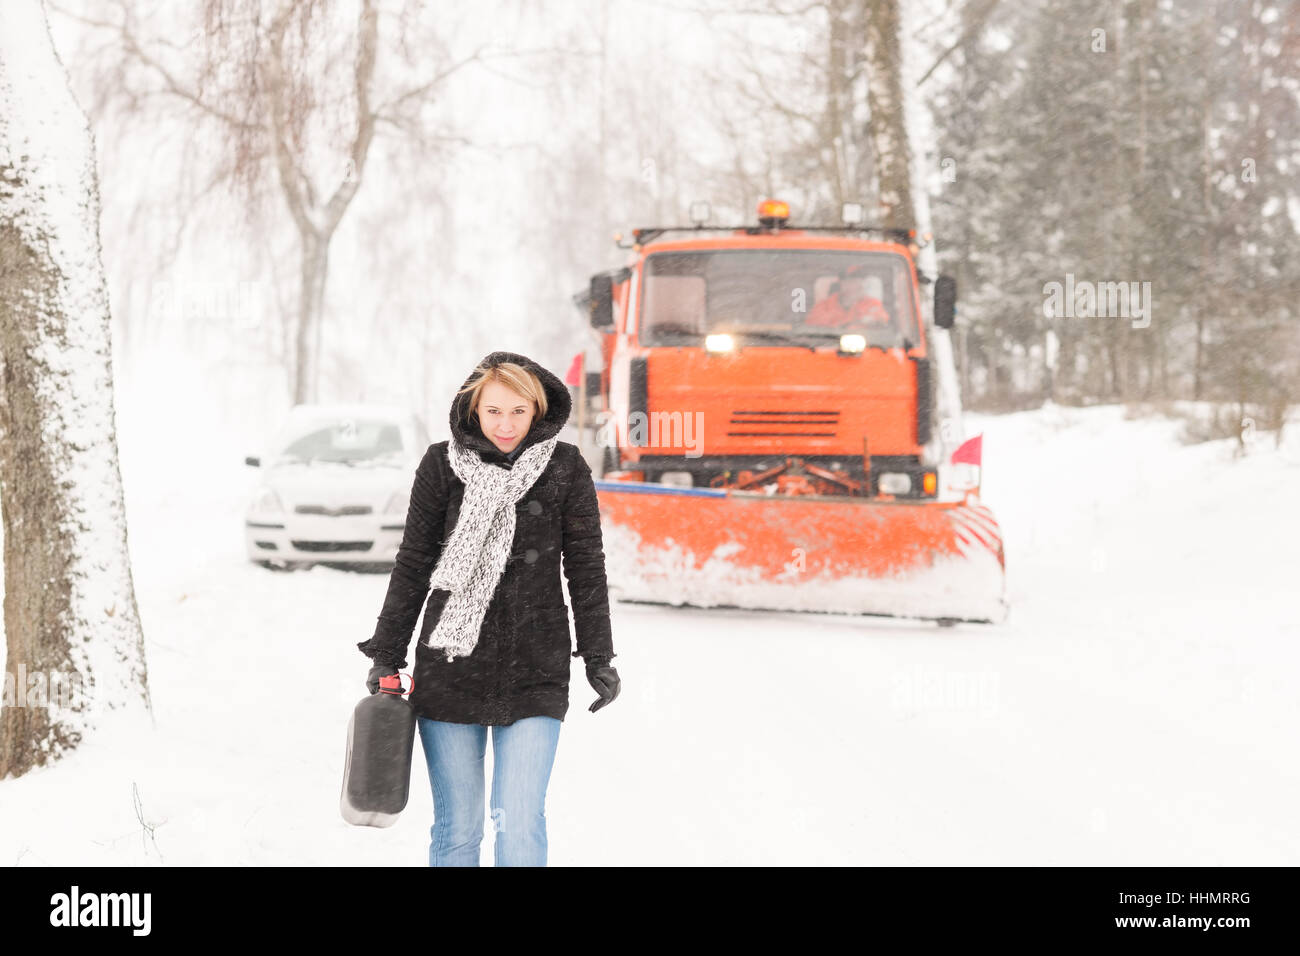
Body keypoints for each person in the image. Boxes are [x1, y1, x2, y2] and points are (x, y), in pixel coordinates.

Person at [357, 350, 621, 867]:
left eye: (518, 412)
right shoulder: (440, 465)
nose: (505, 425)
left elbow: (586, 565)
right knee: (459, 828)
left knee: (519, 822)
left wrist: (598, 655)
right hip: (450, 668)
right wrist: (387, 652)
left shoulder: (564, 467)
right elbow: (414, 562)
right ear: (473, 409)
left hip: (536, 668)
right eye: (494, 411)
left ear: (538, 411)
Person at [805, 265, 892, 328]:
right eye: (850, 281)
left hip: (867, 350)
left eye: (859, 280)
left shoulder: (872, 304)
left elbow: (882, 323)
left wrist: (871, 321)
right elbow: (813, 330)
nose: (856, 285)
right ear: (841, 284)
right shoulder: (824, 307)